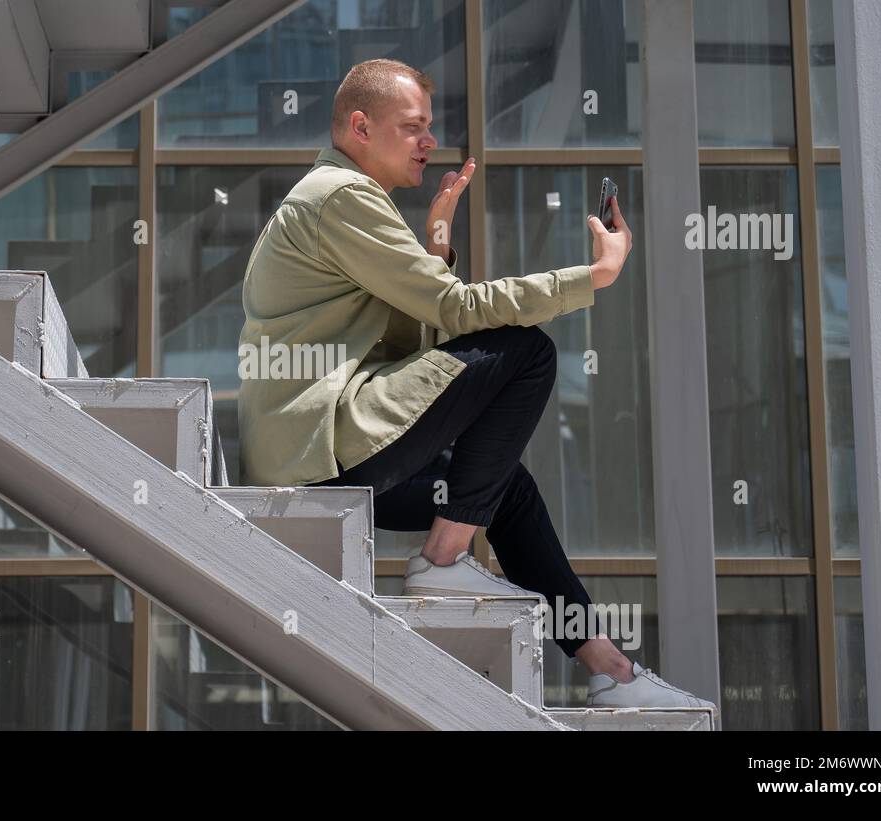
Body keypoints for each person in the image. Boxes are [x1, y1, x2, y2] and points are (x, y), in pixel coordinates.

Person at [236, 58, 714, 712]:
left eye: (429, 127)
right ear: (358, 125)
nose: (429, 141)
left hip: (322, 451)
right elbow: (456, 312)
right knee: (526, 352)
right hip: (319, 452)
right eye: (412, 128)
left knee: (507, 489)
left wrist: (435, 245)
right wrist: (591, 278)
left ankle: (613, 671)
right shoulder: (340, 196)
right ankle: (444, 558)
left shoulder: (341, 200)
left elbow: (417, 343)